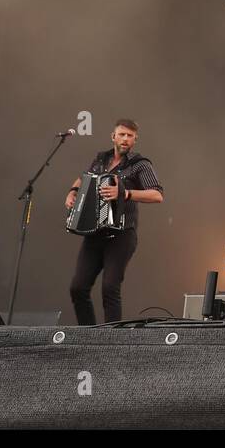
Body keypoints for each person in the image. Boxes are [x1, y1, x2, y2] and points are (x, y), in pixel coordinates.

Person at [65, 119, 164, 324]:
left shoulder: (140, 164)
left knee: (110, 288)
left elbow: (157, 195)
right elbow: (84, 177)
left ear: (135, 139)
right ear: (113, 136)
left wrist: (124, 192)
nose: (125, 139)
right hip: (95, 233)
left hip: (122, 233)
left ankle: (112, 341)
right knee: (78, 288)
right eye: (122, 134)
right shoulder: (101, 159)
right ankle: (89, 334)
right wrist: (73, 191)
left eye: (130, 136)